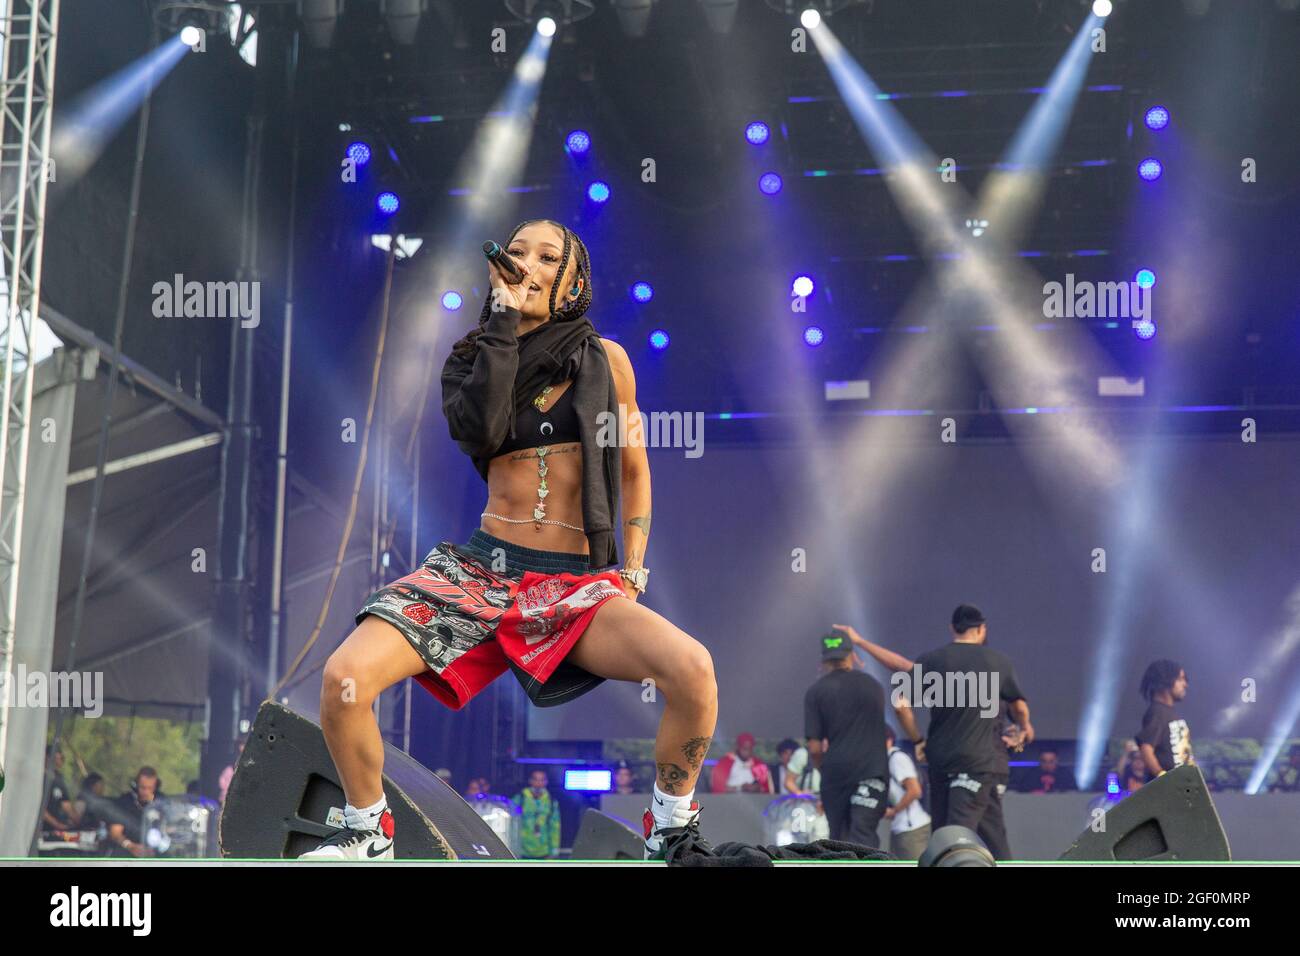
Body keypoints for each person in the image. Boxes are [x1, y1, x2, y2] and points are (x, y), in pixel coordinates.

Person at [300, 220, 717, 860]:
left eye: (547, 256)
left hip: (569, 583)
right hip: (479, 572)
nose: (527, 262)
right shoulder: (472, 359)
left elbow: (634, 470)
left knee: (692, 671)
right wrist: (502, 320)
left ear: (572, 282)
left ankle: (669, 827)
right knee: (343, 680)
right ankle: (366, 829)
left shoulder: (608, 361)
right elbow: (484, 431)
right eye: (517, 251)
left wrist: (631, 570)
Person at [843, 604, 1032, 860]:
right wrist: (1025, 727)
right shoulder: (998, 662)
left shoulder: (934, 661)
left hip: (941, 762)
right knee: (957, 840)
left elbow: (901, 703)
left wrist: (918, 740)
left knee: (955, 836)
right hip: (979, 762)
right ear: (981, 629)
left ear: (952, 628)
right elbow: (1019, 708)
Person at [803, 632, 891, 847]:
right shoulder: (874, 686)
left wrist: (823, 768)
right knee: (864, 834)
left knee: (839, 838)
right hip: (872, 771)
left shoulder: (816, 692)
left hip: (836, 773)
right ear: (852, 655)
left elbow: (814, 748)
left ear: (824, 660)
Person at [1136, 660, 1193, 776]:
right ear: (1166, 681)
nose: (1185, 684)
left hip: (1181, 787)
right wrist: (1162, 777)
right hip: (1169, 791)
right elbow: (1146, 747)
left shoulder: (1169, 712)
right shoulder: (1157, 712)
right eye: (1180, 679)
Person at [884, 727, 931, 861]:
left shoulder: (896, 758)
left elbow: (915, 790)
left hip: (912, 829)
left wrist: (894, 810)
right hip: (900, 828)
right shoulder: (886, 761)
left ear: (889, 741)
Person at [107, 767, 164, 858]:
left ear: (156, 787)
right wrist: (130, 846)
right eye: (143, 787)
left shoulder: (162, 802)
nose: (146, 792)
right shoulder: (125, 801)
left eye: (150, 788)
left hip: (155, 855)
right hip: (126, 854)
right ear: (135, 785)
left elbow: (170, 829)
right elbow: (115, 832)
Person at [512, 770, 562, 859]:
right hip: (522, 850)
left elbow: (555, 827)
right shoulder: (520, 798)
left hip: (544, 850)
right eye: (536, 780)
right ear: (530, 781)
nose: (539, 783)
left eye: (542, 780)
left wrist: (554, 850)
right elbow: (512, 823)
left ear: (546, 782)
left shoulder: (551, 801)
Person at [41, 746, 79, 835]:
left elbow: (66, 804)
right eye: (55, 758)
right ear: (46, 758)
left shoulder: (58, 778)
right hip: (41, 829)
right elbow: (38, 808)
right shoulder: (39, 777)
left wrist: (78, 821)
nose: (58, 761)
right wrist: (57, 825)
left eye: (61, 758)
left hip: (55, 829)